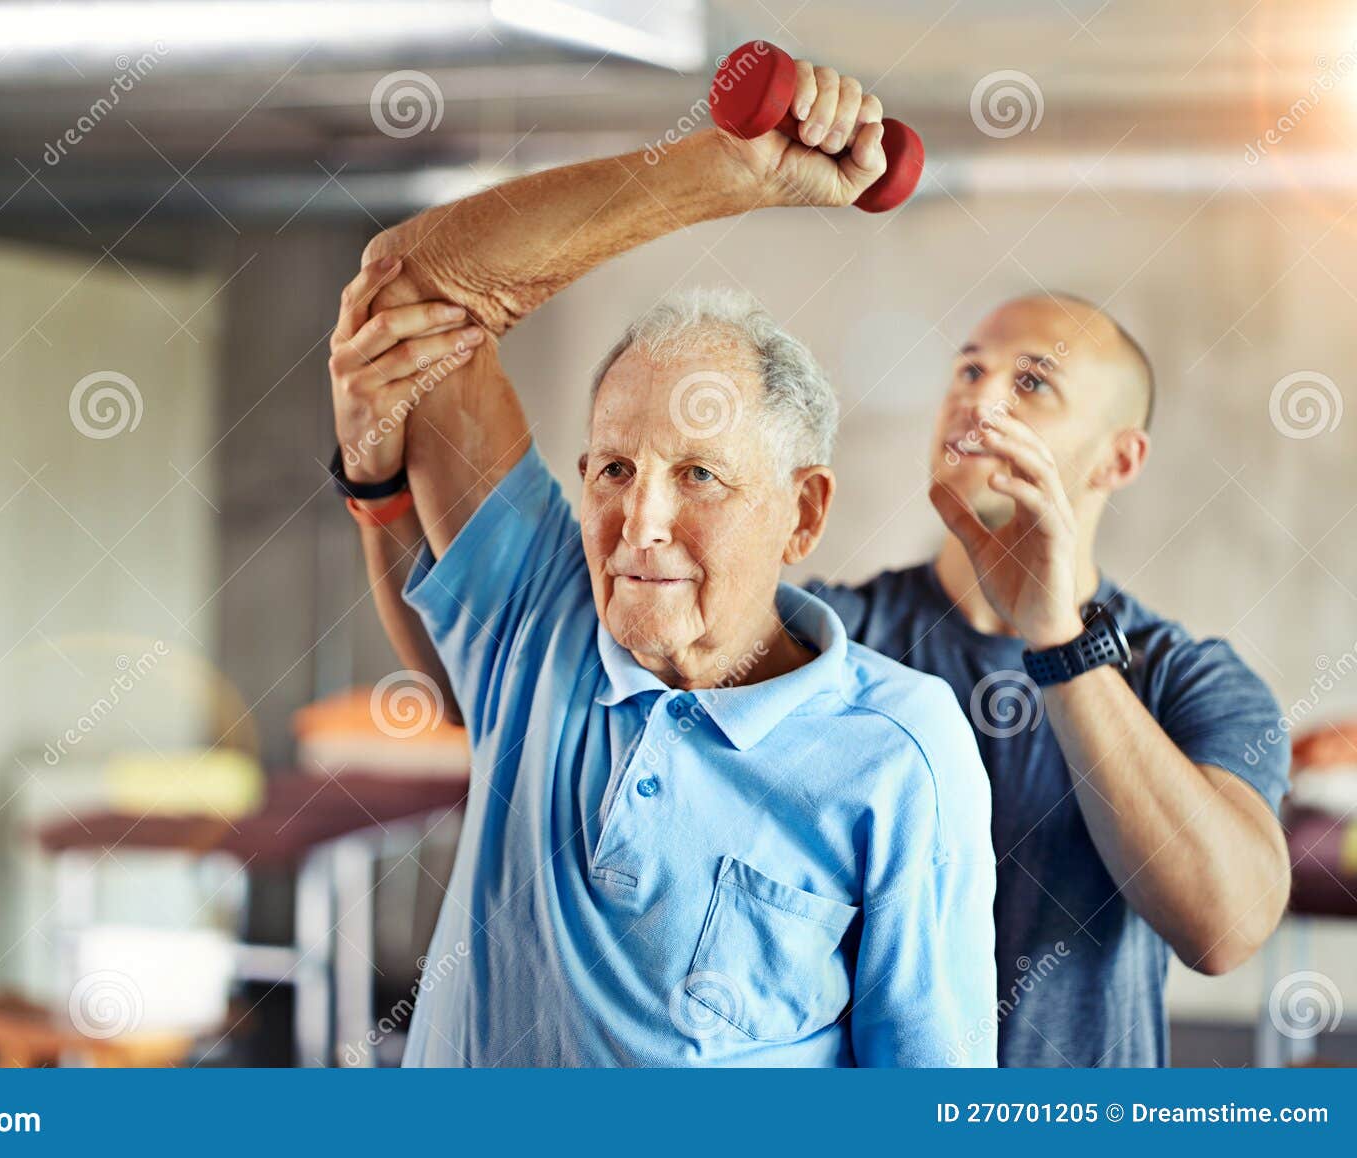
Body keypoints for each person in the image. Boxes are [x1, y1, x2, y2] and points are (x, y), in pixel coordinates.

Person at [328, 61, 997, 1066]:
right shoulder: (548, 617)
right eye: (612, 469)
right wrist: (727, 170)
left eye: (697, 476)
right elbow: (413, 287)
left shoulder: (897, 752)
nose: (638, 522)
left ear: (802, 512)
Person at [804, 291, 1291, 1066]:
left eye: (1031, 382)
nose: (978, 399)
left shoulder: (1189, 679)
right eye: (968, 368)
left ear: (1117, 458)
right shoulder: (829, 636)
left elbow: (1225, 929)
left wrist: (1058, 638)